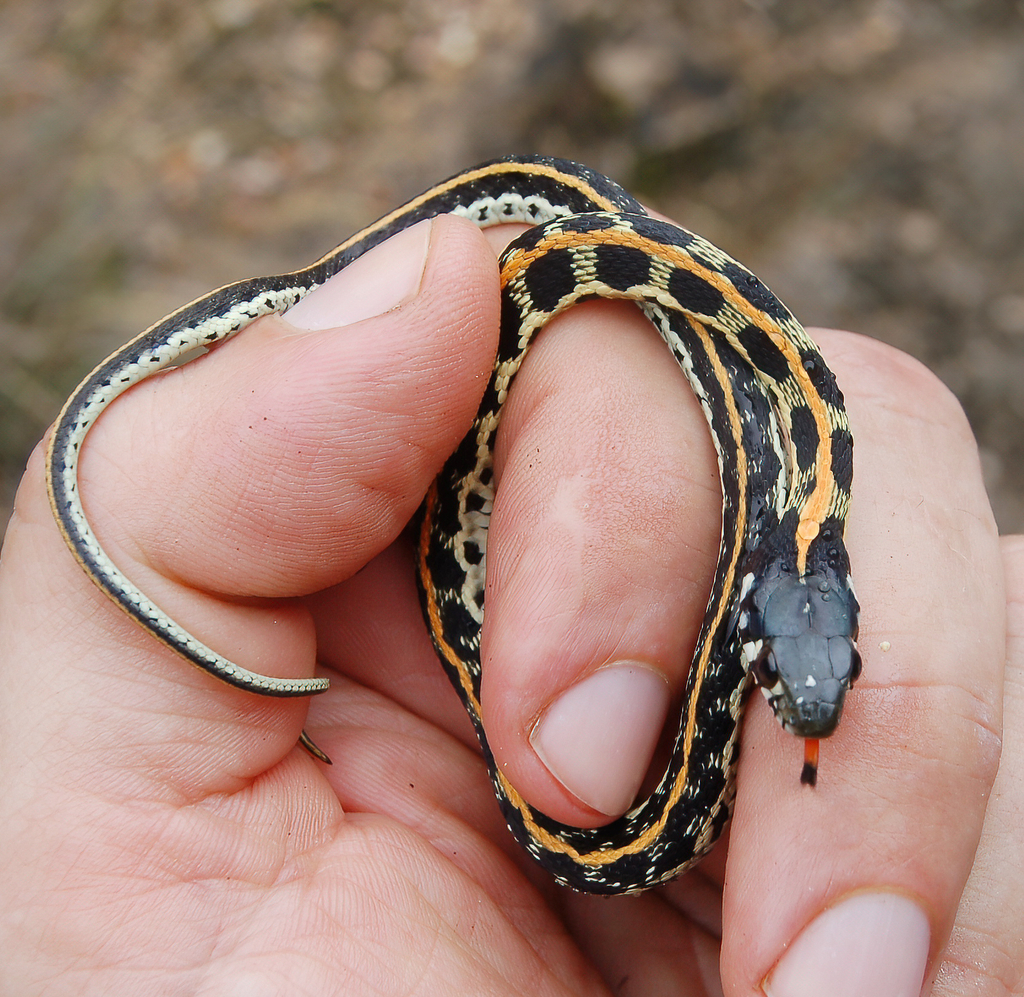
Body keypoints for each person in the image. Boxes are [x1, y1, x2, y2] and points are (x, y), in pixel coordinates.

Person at [0, 212, 1019, 997]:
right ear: (754, 616)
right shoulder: (779, 461)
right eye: (782, 672)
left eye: (825, 677)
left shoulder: (798, 473)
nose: (806, 704)